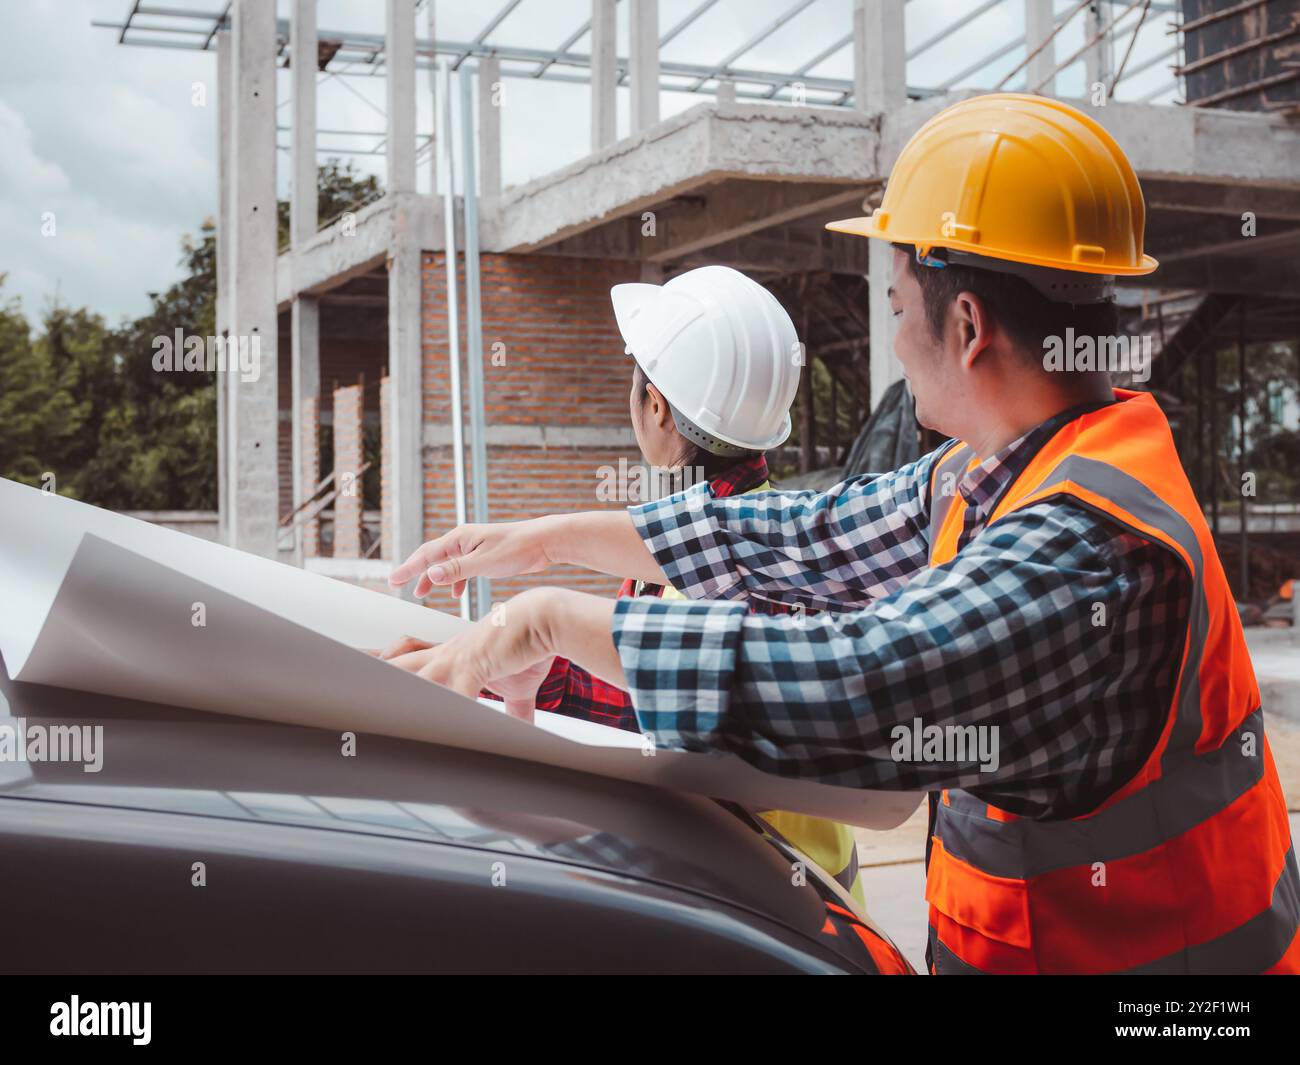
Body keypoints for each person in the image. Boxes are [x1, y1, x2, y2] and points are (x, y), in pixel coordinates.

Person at [385, 94, 1298, 974]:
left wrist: (547, 624)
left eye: (898, 307)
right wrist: (546, 542)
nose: (895, 340)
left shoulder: (1080, 555)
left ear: (968, 325)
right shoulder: (1024, 465)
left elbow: (858, 679)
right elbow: (808, 532)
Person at [388, 264, 868, 907]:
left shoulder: (717, 575)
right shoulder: (774, 541)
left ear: (658, 406)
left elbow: (687, 710)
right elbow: (663, 693)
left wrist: (545, 655)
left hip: (765, 918)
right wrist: (547, 671)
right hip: (802, 907)